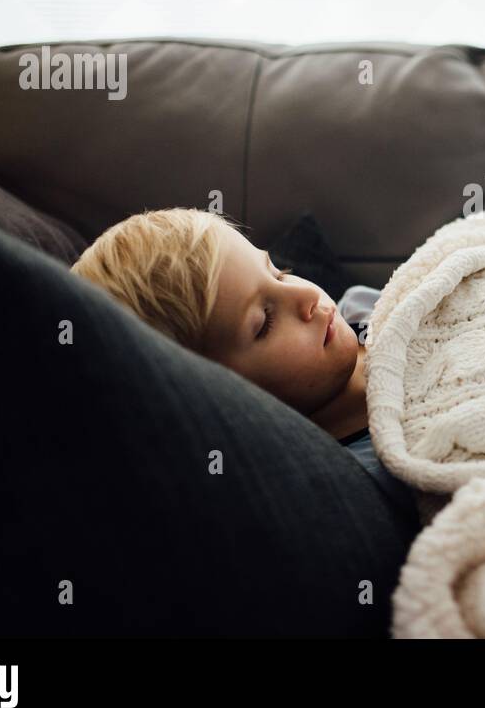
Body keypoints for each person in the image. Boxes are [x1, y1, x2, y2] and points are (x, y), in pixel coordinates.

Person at [70, 208, 413, 519]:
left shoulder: (365, 308)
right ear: (227, 398)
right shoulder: (372, 475)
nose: (307, 296)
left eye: (279, 273)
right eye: (264, 322)